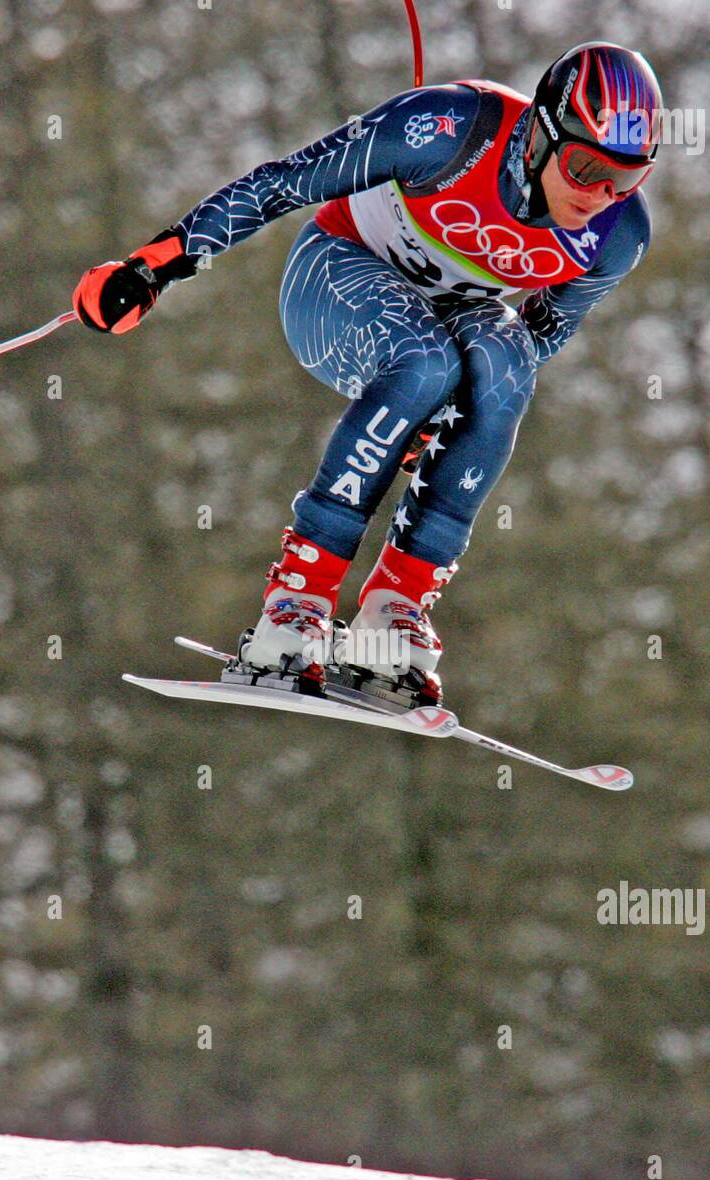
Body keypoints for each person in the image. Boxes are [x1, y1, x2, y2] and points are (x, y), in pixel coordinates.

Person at [74, 41, 662, 705]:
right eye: (586, 168)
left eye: (627, 177)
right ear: (539, 134)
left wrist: (455, 416)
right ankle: (295, 602)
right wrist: (156, 265)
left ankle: (394, 609)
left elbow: (543, 332)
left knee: (505, 369)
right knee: (423, 362)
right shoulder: (448, 130)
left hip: (448, 314)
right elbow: (284, 182)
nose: (599, 196)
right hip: (334, 280)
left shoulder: (616, 235)